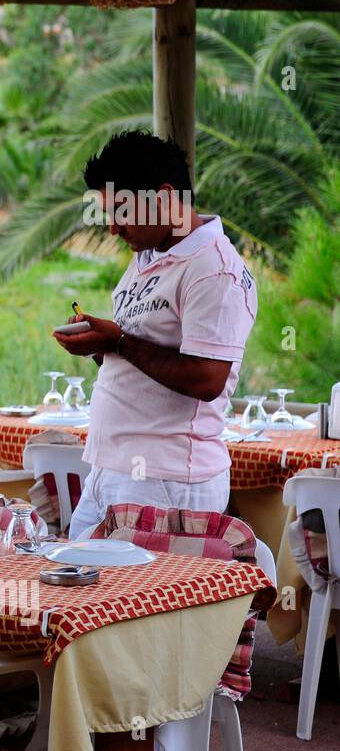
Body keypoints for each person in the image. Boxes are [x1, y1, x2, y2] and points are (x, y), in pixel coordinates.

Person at [53, 130, 257, 539]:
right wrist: (102, 346)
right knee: (82, 597)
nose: (112, 228)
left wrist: (119, 342)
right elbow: (140, 354)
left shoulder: (212, 269)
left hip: (166, 481)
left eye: (121, 212)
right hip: (110, 470)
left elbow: (207, 378)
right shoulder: (150, 256)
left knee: (134, 602)